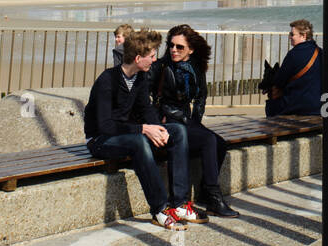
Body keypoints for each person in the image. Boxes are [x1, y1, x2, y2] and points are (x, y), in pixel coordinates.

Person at [83, 30, 204, 230]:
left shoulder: (139, 78)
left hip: (125, 135)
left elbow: (146, 110)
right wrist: (143, 129)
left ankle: (180, 203)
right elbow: (105, 126)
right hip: (100, 140)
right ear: (138, 58)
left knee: (178, 131)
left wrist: (158, 129)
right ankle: (159, 209)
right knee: (139, 141)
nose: (155, 60)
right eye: (152, 57)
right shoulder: (107, 80)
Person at [150, 25, 239, 218]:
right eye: (171, 45)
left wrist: (195, 122)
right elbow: (148, 99)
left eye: (179, 47)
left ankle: (206, 192)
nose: (174, 50)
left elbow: (201, 98)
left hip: (186, 121)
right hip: (167, 121)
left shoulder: (196, 68)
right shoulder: (160, 67)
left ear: (190, 49)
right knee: (208, 140)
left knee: (220, 143)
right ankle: (215, 199)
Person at [264, 19, 322, 117]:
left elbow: (279, 81)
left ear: (303, 36)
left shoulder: (293, 54)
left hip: (298, 105)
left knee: (271, 106)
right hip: (319, 105)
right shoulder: (320, 52)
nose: (290, 37)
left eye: (292, 34)